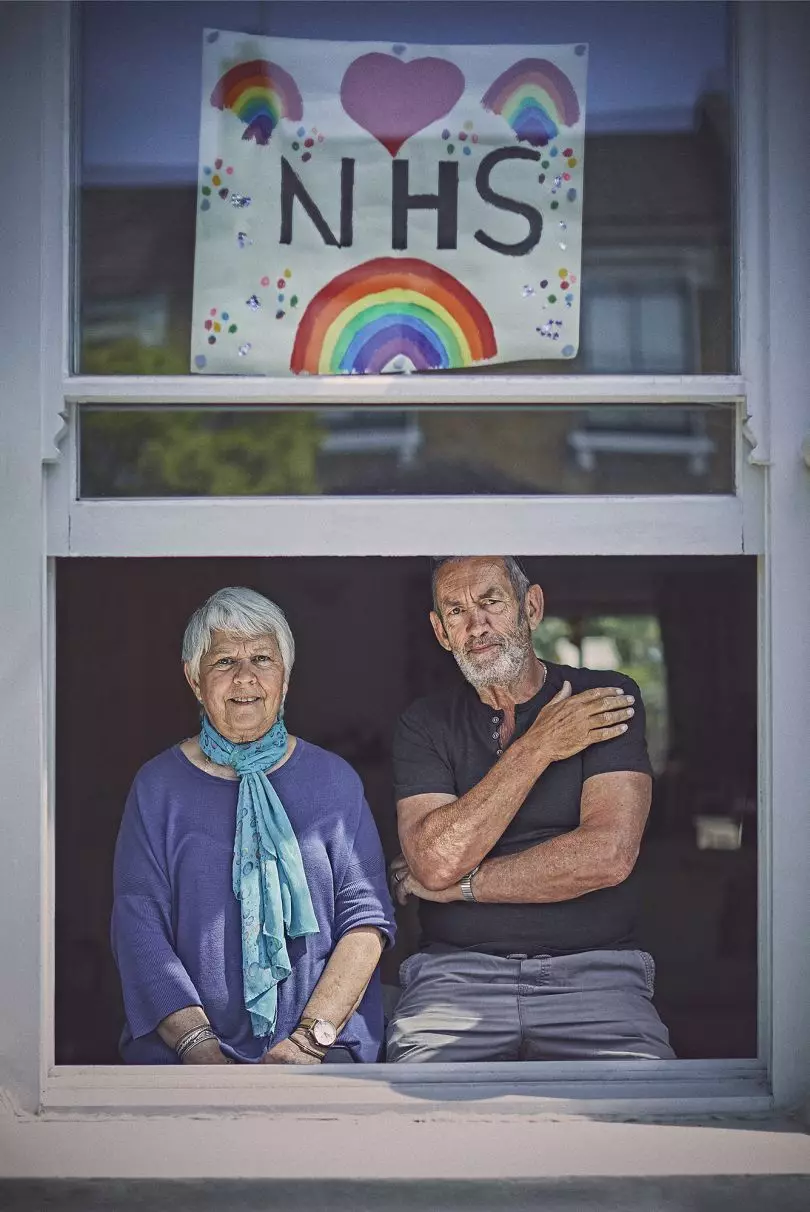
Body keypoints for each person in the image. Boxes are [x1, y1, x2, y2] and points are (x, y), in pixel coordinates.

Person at [387, 556, 674, 1063]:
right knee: (418, 1122)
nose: (476, 625)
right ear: (440, 631)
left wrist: (461, 887)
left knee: (645, 1118)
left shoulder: (604, 698)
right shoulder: (424, 723)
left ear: (531, 607)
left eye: (491, 602)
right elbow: (433, 860)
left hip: (597, 974)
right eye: (455, 611)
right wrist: (539, 745)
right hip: (456, 976)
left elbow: (607, 855)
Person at [112, 586, 395, 1065]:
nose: (245, 677)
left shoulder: (334, 781)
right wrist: (199, 1048)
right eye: (224, 662)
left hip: (323, 1052)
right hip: (182, 1055)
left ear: (284, 678)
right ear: (195, 680)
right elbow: (137, 926)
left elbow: (365, 921)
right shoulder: (157, 787)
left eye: (262, 658)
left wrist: (309, 1041)